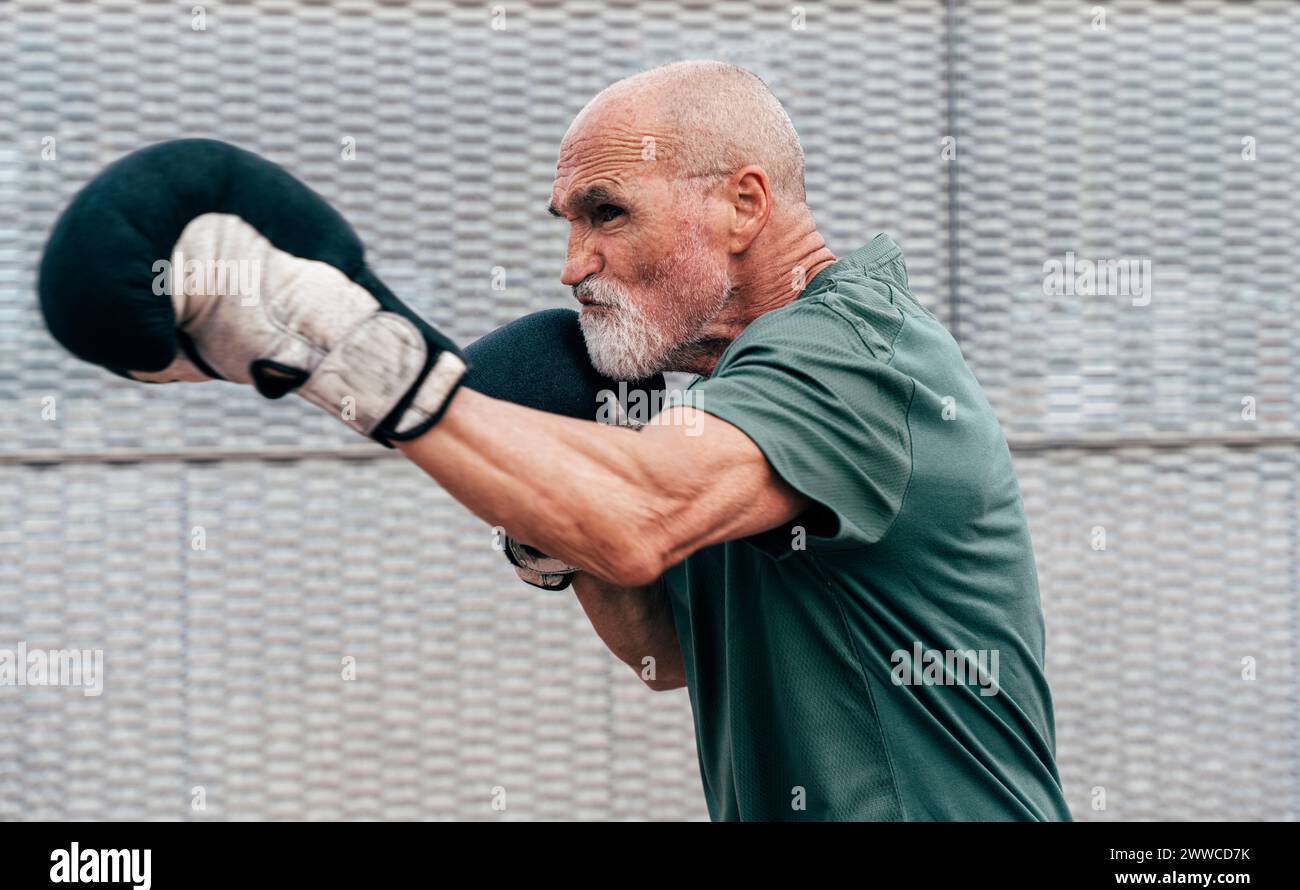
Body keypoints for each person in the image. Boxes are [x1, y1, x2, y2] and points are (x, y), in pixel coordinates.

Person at [40, 60, 1070, 822]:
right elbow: (664, 655)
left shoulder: (851, 357)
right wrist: (545, 532)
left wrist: (341, 354)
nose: (574, 264)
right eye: (566, 223)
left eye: (607, 214)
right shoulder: (725, 397)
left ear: (742, 204)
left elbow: (638, 517)